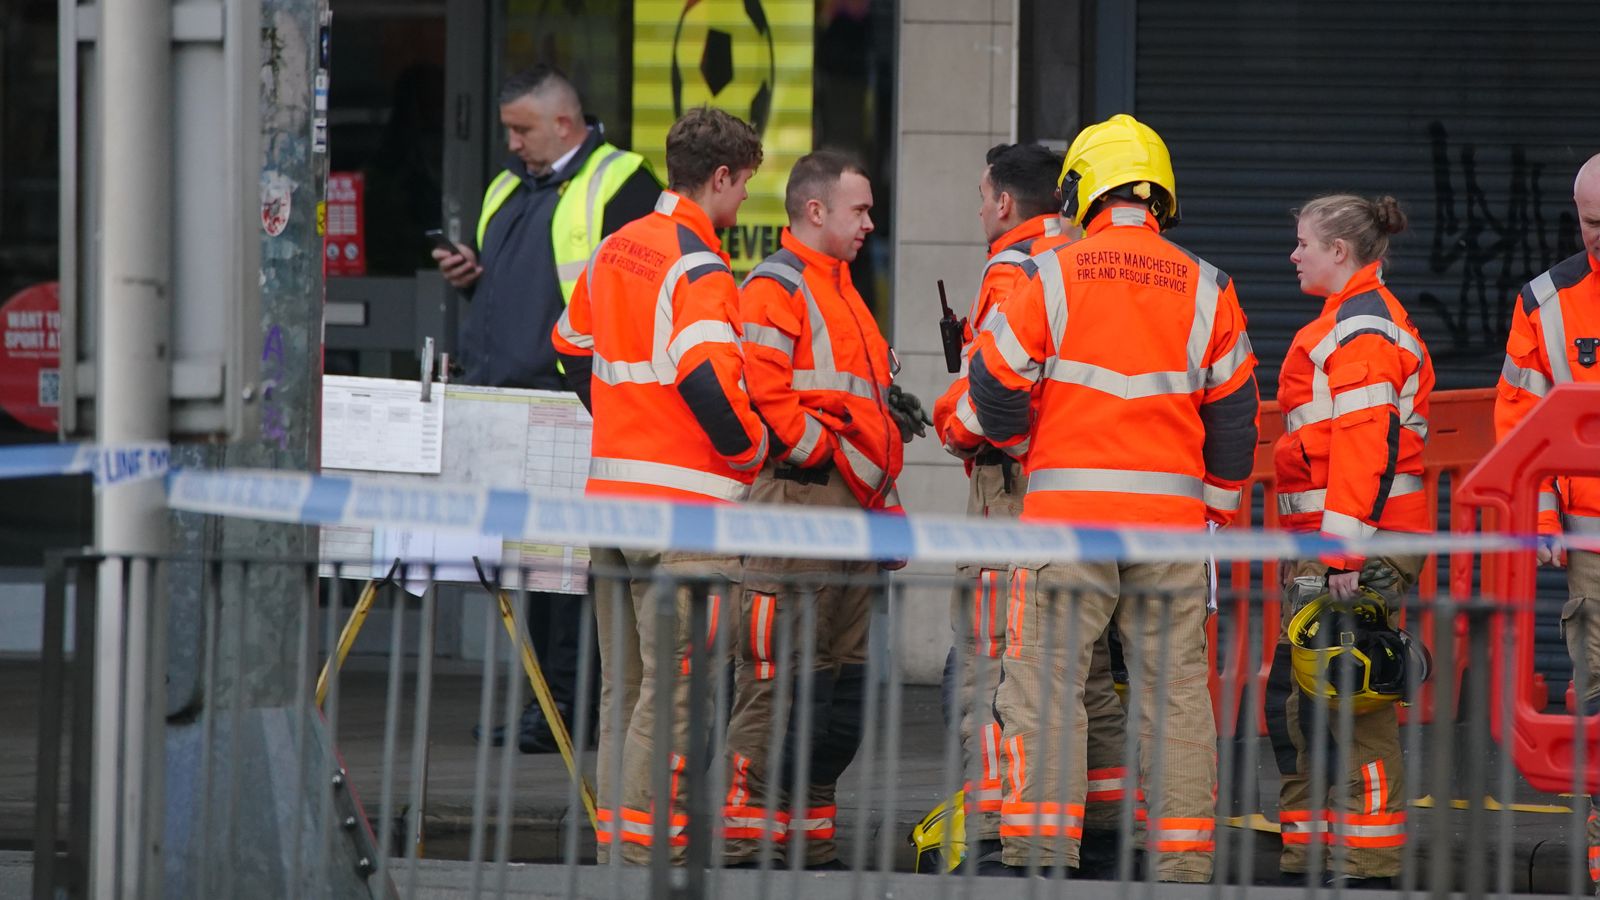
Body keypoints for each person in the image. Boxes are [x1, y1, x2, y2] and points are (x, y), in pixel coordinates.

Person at [967, 113, 1259, 882]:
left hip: (1065, 527)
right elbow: (1236, 417)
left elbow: (991, 385)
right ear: (1162, 195)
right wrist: (1216, 510)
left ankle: (1038, 856)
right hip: (1169, 531)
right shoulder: (1208, 285)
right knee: (1176, 696)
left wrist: (1026, 449)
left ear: (1081, 190)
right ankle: (1183, 865)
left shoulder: (1050, 273)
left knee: (1048, 688)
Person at [550, 106, 768, 865]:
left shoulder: (617, 248)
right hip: (684, 524)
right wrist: (751, 452)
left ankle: (620, 855)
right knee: (671, 702)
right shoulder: (699, 265)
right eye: (742, 188)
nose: (742, 204)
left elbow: (571, 350)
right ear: (718, 178)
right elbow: (707, 377)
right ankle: (647, 864)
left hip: (611, 509)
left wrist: (623, 422)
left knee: (623, 695)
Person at [438, 64, 660, 754]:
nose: (511, 143)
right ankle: (552, 707)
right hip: (509, 401)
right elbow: (525, 290)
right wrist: (476, 280)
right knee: (536, 570)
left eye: (521, 129)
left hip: (571, 405)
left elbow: (629, 296)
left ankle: (566, 712)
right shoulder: (510, 186)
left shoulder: (621, 183)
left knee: (568, 574)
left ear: (564, 124)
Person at [931, 143, 1138, 875]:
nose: (980, 208)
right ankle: (1106, 827)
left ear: (1006, 203)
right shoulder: (1080, 254)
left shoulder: (1013, 269)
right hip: (1084, 491)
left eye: (984, 195)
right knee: (1082, 677)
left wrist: (949, 418)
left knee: (998, 671)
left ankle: (1000, 828)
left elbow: (993, 392)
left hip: (1014, 493)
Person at [720, 150, 915, 870]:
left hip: (848, 515)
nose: (870, 223)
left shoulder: (842, 289)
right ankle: (748, 845)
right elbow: (770, 405)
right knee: (779, 684)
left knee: (836, 689)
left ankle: (807, 840)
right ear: (815, 211)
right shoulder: (777, 288)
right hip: (799, 509)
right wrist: (823, 450)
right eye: (859, 210)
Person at [1265, 194, 1434, 889]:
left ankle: (1366, 863)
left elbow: (1364, 449)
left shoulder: (1361, 331)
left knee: (1353, 706)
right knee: (1306, 703)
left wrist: (1342, 554)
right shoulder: (1350, 324)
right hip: (1346, 542)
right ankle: (1311, 855)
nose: (1294, 254)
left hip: (1354, 548)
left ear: (1341, 252)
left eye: (1305, 243)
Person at [1495, 152, 1600, 890]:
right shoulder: (1547, 298)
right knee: (1596, 683)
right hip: (1590, 529)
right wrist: (1539, 519)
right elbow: (1517, 418)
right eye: (1594, 224)